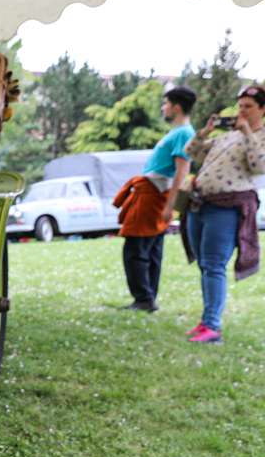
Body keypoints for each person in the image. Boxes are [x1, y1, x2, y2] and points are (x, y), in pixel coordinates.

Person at [180, 85, 265, 344]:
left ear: (262, 109)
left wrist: (248, 132)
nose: (242, 111)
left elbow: (259, 166)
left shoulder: (259, 137)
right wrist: (206, 131)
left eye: (248, 106)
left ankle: (212, 328)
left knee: (215, 265)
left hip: (226, 209)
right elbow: (190, 152)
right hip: (199, 204)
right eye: (240, 106)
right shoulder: (226, 136)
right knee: (206, 265)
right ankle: (207, 320)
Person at [111, 86, 197, 311]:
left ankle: (144, 299)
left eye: (166, 103)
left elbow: (182, 170)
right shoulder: (179, 132)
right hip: (151, 197)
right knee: (149, 249)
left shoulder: (184, 133)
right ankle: (147, 298)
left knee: (136, 250)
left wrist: (171, 206)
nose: (163, 108)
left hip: (154, 199)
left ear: (176, 107)